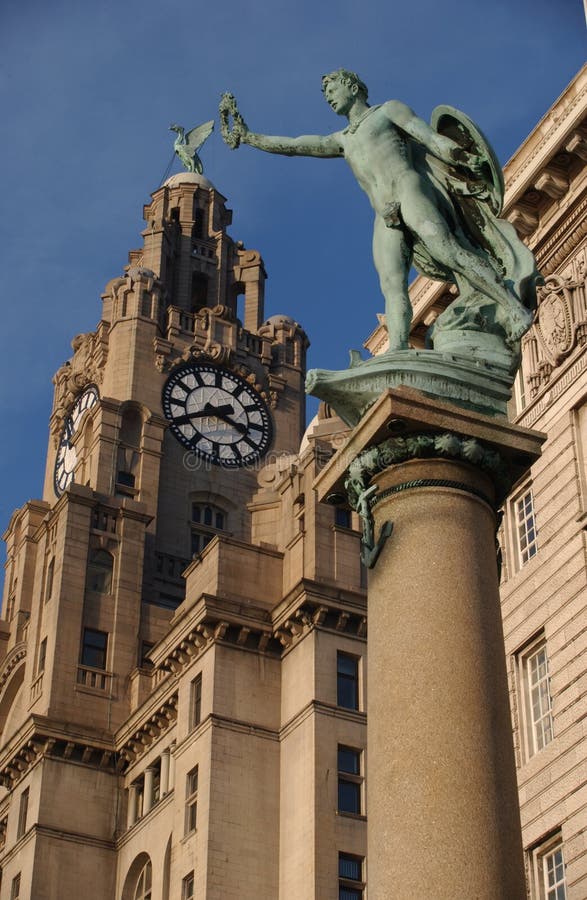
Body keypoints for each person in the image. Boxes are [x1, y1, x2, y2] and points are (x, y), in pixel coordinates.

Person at [220, 69, 534, 350]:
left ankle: (513, 307)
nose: (328, 98)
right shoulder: (342, 139)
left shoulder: (388, 111)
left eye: (332, 89)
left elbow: (427, 137)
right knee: (392, 285)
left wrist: (461, 157)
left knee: (448, 251)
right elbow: (296, 145)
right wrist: (250, 138)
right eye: (325, 94)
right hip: (384, 212)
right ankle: (397, 351)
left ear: (353, 87)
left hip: (407, 189)